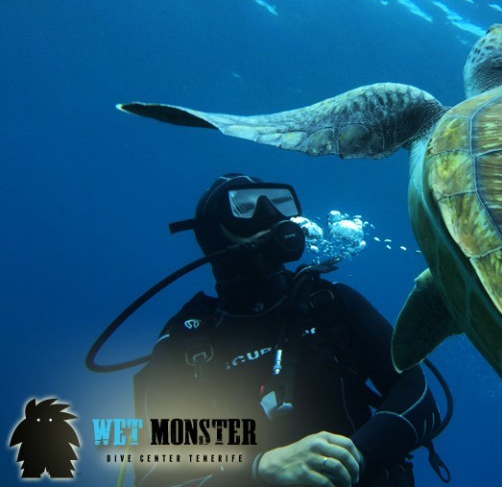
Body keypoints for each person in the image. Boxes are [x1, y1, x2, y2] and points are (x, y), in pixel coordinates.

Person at [133, 173, 441, 487]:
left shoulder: (331, 304)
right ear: (214, 234)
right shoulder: (187, 341)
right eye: (244, 208)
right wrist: (261, 470)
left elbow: (418, 395)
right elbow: (155, 477)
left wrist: (351, 459)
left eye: (279, 203)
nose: (270, 215)